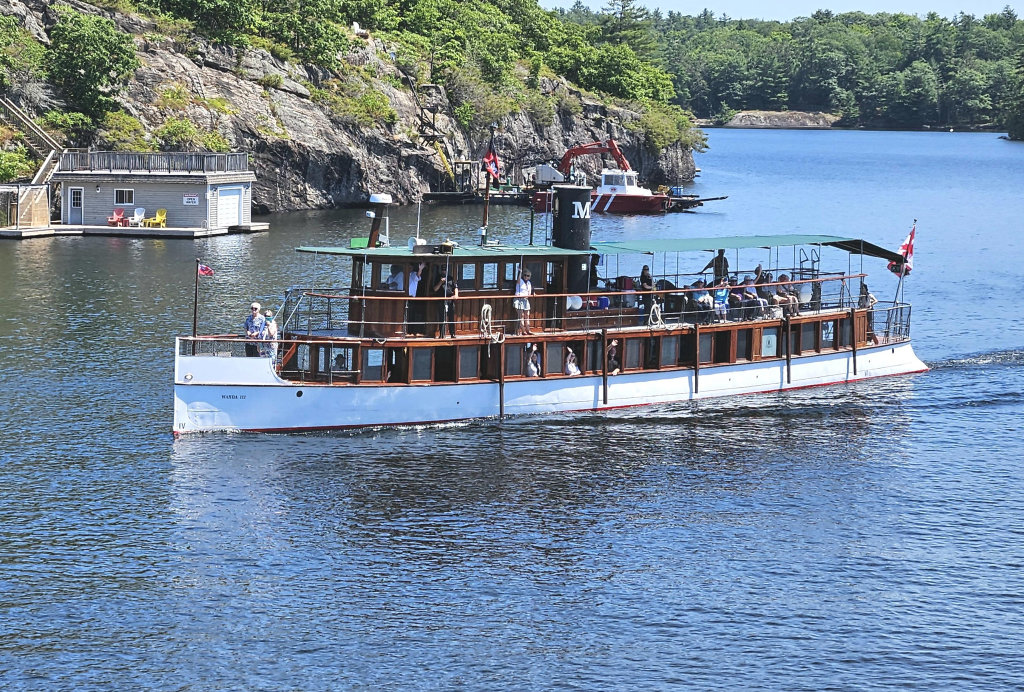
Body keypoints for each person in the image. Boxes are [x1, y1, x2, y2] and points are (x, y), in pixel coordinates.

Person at [434, 268, 458, 338]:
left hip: (450, 299)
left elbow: (455, 287)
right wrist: (440, 282)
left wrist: (456, 295)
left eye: (445, 270)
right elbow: (435, 289)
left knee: (451, 317)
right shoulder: (437, 278)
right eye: (443, 270)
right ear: (441, 271)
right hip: (441, 300)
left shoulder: (450, 278)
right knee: (442, 317)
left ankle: (452, 334)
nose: (444, 271)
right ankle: (441, 334)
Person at [407, 261, 425, 335]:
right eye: (408, 267)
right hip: (403, 298)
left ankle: (411, 331)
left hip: (411, 298)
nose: (409, 268)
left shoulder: (413, 274)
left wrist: (420, 269)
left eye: (410, 267)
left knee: (411, 315)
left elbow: (418, 275)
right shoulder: (404, 274)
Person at [514, 267, 533, 335]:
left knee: (527, 315)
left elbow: (529, 292)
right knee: (521, 315)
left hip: (525, 300)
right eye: (525, 275)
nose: (526, 277)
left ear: (529, 277)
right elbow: (518, 280)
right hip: (519, 299)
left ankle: (528, 330)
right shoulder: (520, 281)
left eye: (527, 275)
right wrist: (520, 272)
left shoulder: (529, 283)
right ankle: (523, 330)